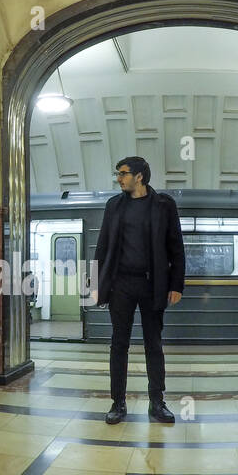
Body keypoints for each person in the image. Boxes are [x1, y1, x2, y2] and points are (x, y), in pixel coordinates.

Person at [88, 154, 183, 424]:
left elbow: (176, 246)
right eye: (118, 174)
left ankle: (157, 402)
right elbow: (103, 245)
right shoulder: (114, 206)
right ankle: (118, 403)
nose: (118, 178)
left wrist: (176, 284)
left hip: (153, 284)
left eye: (123, 173)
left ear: (139, 176)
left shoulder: (164, 205)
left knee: (154, 344)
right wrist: (95, 284)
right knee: (119, 344)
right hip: (121, 284)